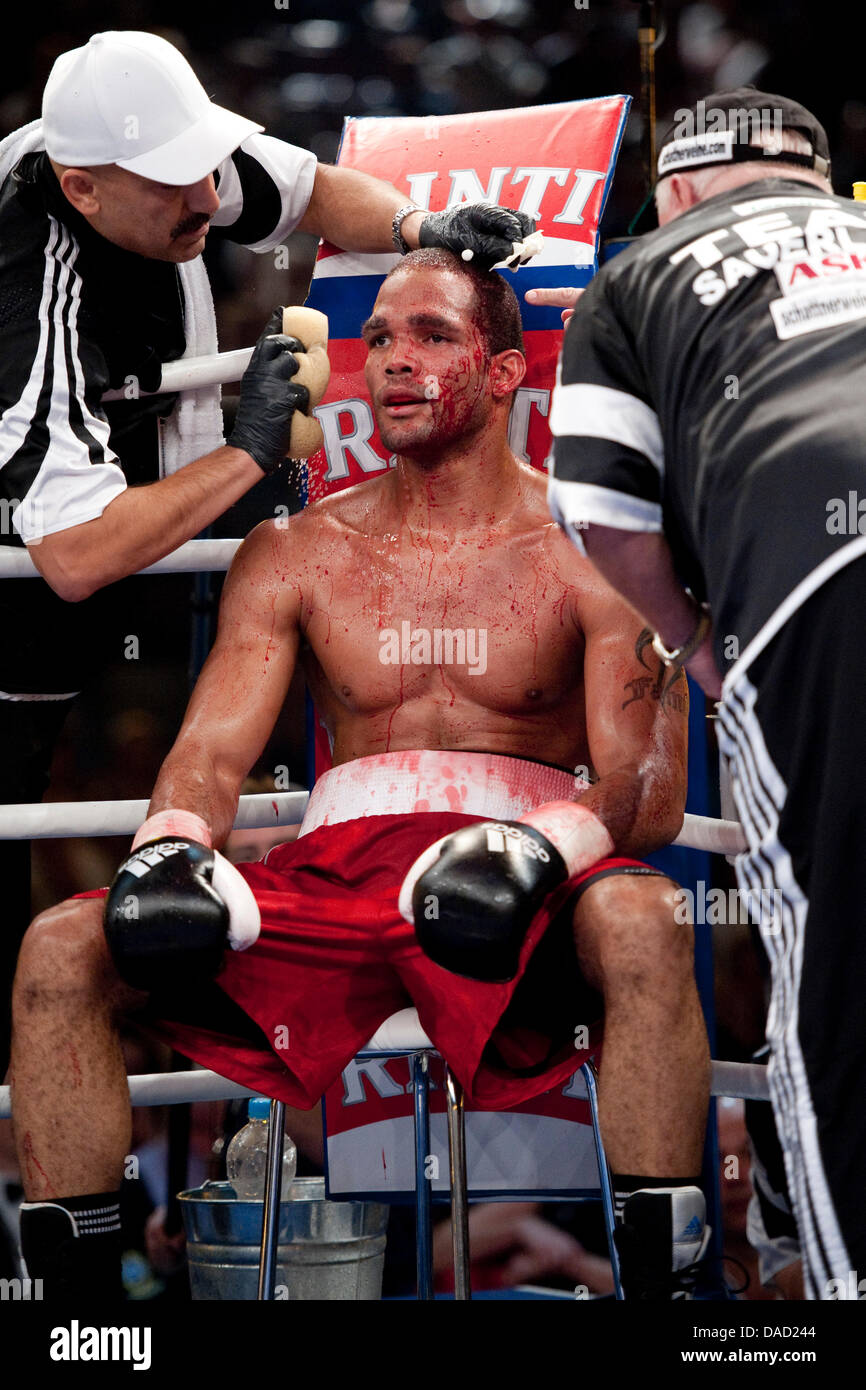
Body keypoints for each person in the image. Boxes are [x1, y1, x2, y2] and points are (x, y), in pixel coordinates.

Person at [11, 249, 710, 1302]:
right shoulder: (293, 549)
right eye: (376, 338)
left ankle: (673, 1306)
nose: (391, 360)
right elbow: (206, 754)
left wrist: (537, 848)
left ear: (506, 369)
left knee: (645, 922)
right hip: (337, 877)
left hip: (531, 881)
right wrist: (170, 848)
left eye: (430, 335)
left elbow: (645, 792)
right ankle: (84, 1324)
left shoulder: (587, 545)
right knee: (62, 947)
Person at [0, 29, 537, 1075]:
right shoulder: (31, 305)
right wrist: (250, 450)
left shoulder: (156, 157)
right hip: (40, 574)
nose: (208, 197)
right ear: (83, 188)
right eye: (175, 188)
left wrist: (424, 223)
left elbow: (308, 191)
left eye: (204, 165)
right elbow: (69, 553)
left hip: (167, 511)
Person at [544, 84, 866, 1299]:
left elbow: (598, 504)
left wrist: (690, 640)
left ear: (674, 194)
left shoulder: (640, 274)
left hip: (820, 573)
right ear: (818, 186)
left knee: (834, 972)